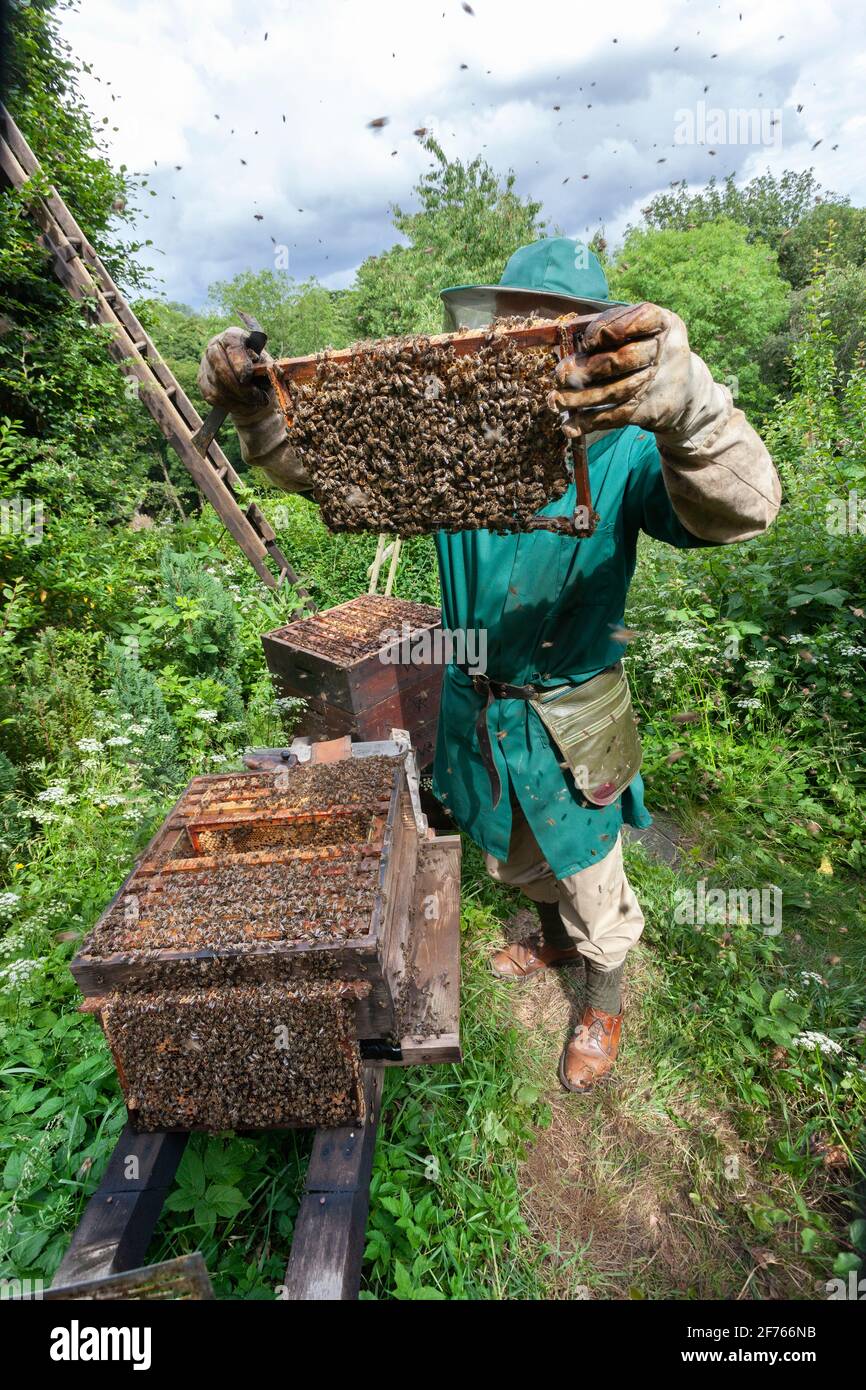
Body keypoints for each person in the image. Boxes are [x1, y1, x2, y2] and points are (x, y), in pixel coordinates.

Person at [198, 237, 780, 1093]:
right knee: (510, 849)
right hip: (477, 699)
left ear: (593, 339)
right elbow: (329, 471)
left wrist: (692, 408)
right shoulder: (446, 439)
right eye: (514, 325)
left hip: (571, 713)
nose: (525, 342)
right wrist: (260, 412)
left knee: (591, 875)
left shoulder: (624, 449)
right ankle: (547, 937)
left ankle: (603, 996)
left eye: (550, 328)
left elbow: (744, 508)